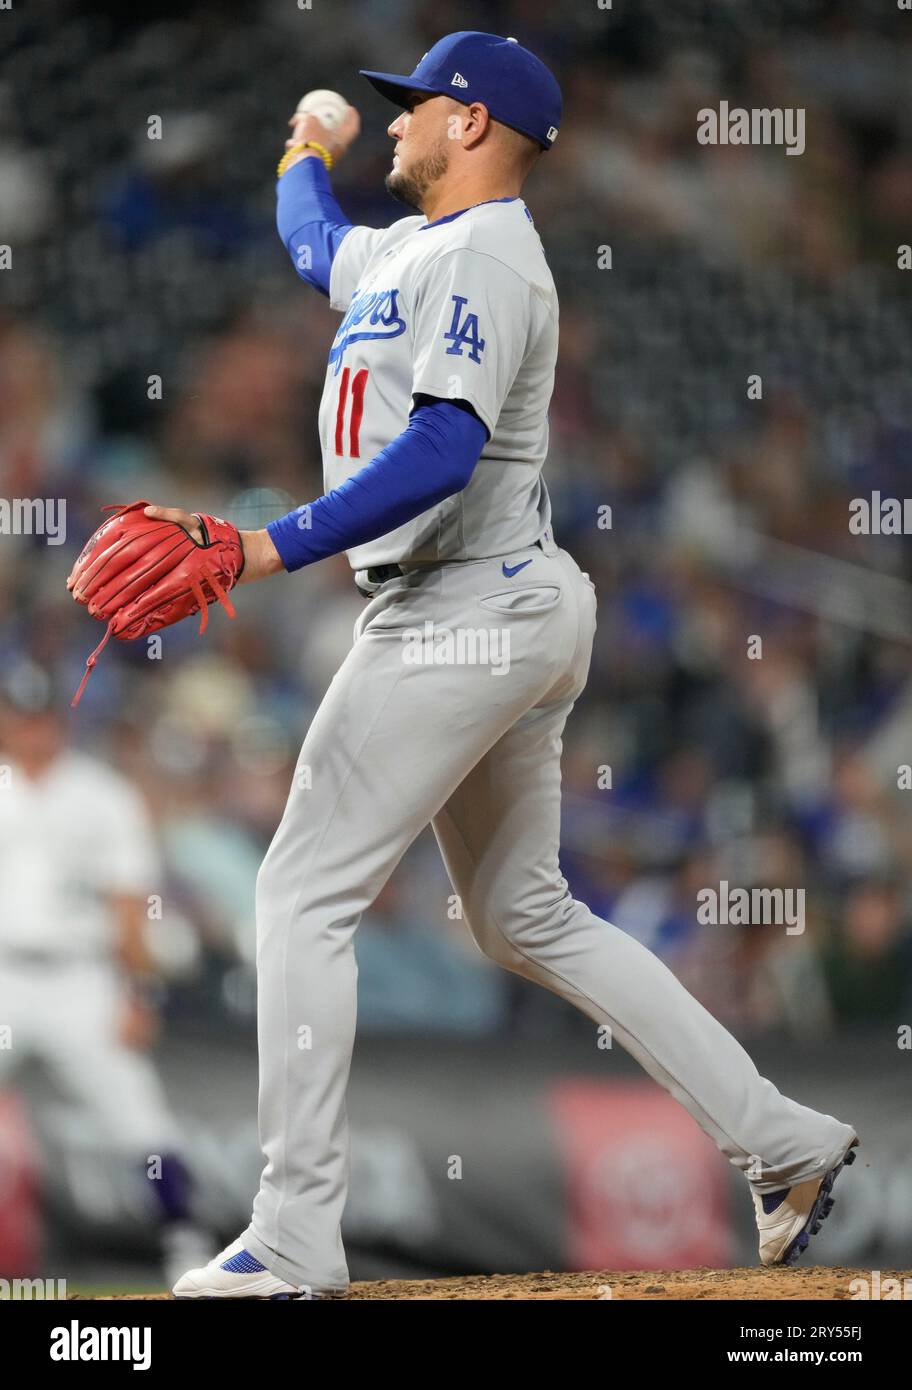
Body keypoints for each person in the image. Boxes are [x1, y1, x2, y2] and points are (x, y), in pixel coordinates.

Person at [149, 32, 856, 1299]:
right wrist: (308, 145)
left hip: (460, 604)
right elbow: (313, 239)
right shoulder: (409, 252)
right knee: (524, 914)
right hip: (497, 605)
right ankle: (784, 1139)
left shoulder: (491, 250)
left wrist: (267, 547)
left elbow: (445, 448)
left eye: (413, 107)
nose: (400, 125)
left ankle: (296, 1233)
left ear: (470, 122)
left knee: (299, 895)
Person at [0, 660, 210, 1286]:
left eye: (38, 714)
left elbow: (129, 906)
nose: (29, 727)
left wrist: (137, 991)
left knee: (138, 1117)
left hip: (79, 977)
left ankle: (186, 1241)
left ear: (57, 720)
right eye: (17, 713)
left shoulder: (101, 795)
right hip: (4, 975)